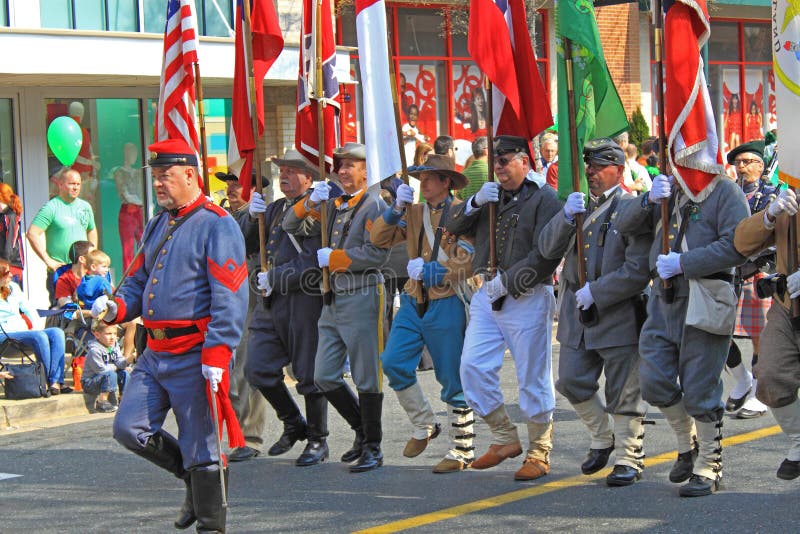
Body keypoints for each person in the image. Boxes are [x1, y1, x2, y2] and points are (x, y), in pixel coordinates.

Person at [91, 138, 248, 532]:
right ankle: (192, 484)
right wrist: (116, 308)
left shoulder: (217, 223)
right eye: (156, 176)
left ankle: (210, 523)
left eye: (166, 176)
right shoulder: (158, 222)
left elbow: (230, 297)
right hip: (154, 350)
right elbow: (138, 281)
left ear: (191, 175)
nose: (159, 183)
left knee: (203, 447)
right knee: (129, 428)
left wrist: (217, 353)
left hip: (195, 351)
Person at [614, 169, 749, 497]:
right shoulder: (670, 191)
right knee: (654, 381)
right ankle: (687, 441)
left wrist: (686, 262)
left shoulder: (725, 192)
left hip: (706, 295)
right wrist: (648, 199)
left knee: (701, 386)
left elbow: (737, 246)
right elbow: (624, 225)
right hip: (664, 298)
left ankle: (709, 464)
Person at [446, 135, 562, 481]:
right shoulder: (490, 198)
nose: (498, 166)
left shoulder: (544, 199)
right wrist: (474, 203)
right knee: (472, 366)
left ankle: (539, 451)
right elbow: (452, 228)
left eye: (506, 160)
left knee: (532, 375)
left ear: (525, 162)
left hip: (526, 294)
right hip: (486, 294)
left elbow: (547, 252)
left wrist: (510, 281)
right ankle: (503, 436)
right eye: (496, 161)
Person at [539, 138, 651, 486]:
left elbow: (637, 269)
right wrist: (564, 216)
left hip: (616, 309)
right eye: (588, 166)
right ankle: (603, 437)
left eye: (600, 166)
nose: (591, 172)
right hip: (577, 311)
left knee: (623, 391)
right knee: (571, 380)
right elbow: (546, 249)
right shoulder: (579, 207)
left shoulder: (632, 208)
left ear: (618, 170)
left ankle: (630, 457)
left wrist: (599, 291)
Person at [283, 142, 390, 473]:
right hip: (333, 300)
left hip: (362, 295)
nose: (343, 171)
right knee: (324, 375)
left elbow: (377, 254)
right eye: (340, 165)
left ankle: (373, 446)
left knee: (366, 375)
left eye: (351, 165)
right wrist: (310, 202)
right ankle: (362, 429)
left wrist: (339, 259)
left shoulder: (375, 206)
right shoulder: (334, 205)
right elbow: (291, 225)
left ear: (366, 171)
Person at [371, 155, 476, 473]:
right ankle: (425, 423)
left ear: (446, 182)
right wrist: (393, 210)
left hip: (446, 300)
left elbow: (467, 260)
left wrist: (432, 270)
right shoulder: (413, 212)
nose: (423, 183)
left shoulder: (462, 213)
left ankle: (462, 449)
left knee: (450, 376)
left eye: (430, 177)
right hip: (413, 299)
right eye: (421, 178)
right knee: (392, 361)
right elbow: (378, 238)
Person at [244, 149, 330, 467]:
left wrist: (277, 277)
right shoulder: (277, 207)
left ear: (309, 177)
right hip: (271, 301)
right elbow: (250, 246)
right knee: (258, 367)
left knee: (308, 372)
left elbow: (312, 261)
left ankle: (319, 440)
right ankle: (293, 422)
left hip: (304, 299)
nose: (285, 176)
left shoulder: (316, 209)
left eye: (293, 170)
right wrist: (251, 219)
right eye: (282, 170)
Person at [734, 185, 800, 481]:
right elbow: (742, 243)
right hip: (788, 306)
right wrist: (769, 216)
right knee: (771, 376)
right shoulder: (788, 198)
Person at [214, 169, 270, 463]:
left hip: (248, 295)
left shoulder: (258, 215)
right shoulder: (223, 214)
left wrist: (252, 215)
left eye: (240, 184)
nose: (232, 189)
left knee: (246, 368)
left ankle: (249, 435)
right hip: (222, 296)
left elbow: (246, 241)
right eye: (229, 184)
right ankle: (233, 433)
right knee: (225, 367)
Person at [725, 140, 777, 420]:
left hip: (758, 271)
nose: (742, 168)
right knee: (717, 332)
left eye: (747, 162)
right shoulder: (727, 193)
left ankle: (758, 392)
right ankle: (742, 380)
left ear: (760, 164)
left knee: (761, 339)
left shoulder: (771, 194)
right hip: (727, 272)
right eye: (738, 163)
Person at [0, 259, 69, 395]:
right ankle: (45, 382)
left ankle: (56, 382)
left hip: (24, 334)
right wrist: (36, 334)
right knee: (39, 336)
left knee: (56, 332)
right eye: (6, 273)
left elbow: (29, 309)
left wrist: (36, 328)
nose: (11, 275)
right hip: (4, 338)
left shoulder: (13, 287)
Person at [27, 168, 97, 300]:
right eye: (71, 184)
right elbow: (32, 233)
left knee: (87, 311)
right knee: (61, 312)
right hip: (61, 271)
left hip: (83, 270)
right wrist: (48, 260)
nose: (75, 187)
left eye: (78, 184)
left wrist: (93, 256)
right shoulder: (51, 207)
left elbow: (91, 229)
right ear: (60, 184)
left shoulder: (85, 206)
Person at [82, 321, 133, 413]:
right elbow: (101, 370)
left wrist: (130, 359)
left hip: (106, 378)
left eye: (115, 334)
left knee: (125, 373)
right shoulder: (94, 350)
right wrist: (117, 367)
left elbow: (120, 362)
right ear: (97, 335)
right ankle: (102, 402)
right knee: (110, 374)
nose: (112, 337)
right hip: (90, 382)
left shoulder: (113, 346)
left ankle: (124, 399)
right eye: (108, 334)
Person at [114, 142, 145, 270]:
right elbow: (124, 193)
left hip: (140, 211)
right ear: (125, 154)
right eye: (130, 152)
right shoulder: (119, 172)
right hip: (128, 211)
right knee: (128, 249)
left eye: (135, 152)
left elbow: (144, 192)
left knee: (145, 245)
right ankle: (128, 279)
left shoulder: (139, 172)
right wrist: (140, 202)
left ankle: (145, 274)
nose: (133, 155)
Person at [53, 240, 95, 307]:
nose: (97, 257)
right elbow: (66, 306)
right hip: (80, 315)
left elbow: (112, 297)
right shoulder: (64, 280)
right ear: (82, 259)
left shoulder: (97, 274)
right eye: (93, 254)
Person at [0, 183, 24, 283]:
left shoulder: (9, 216)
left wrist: (4, 265)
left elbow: (10, 242)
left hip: (10, 267)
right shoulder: (4, 215)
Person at [458, 137, 489, 201]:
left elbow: (458, 200)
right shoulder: (492, 173)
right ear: (486, 151)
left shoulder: (462, 175)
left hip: (468, 210)